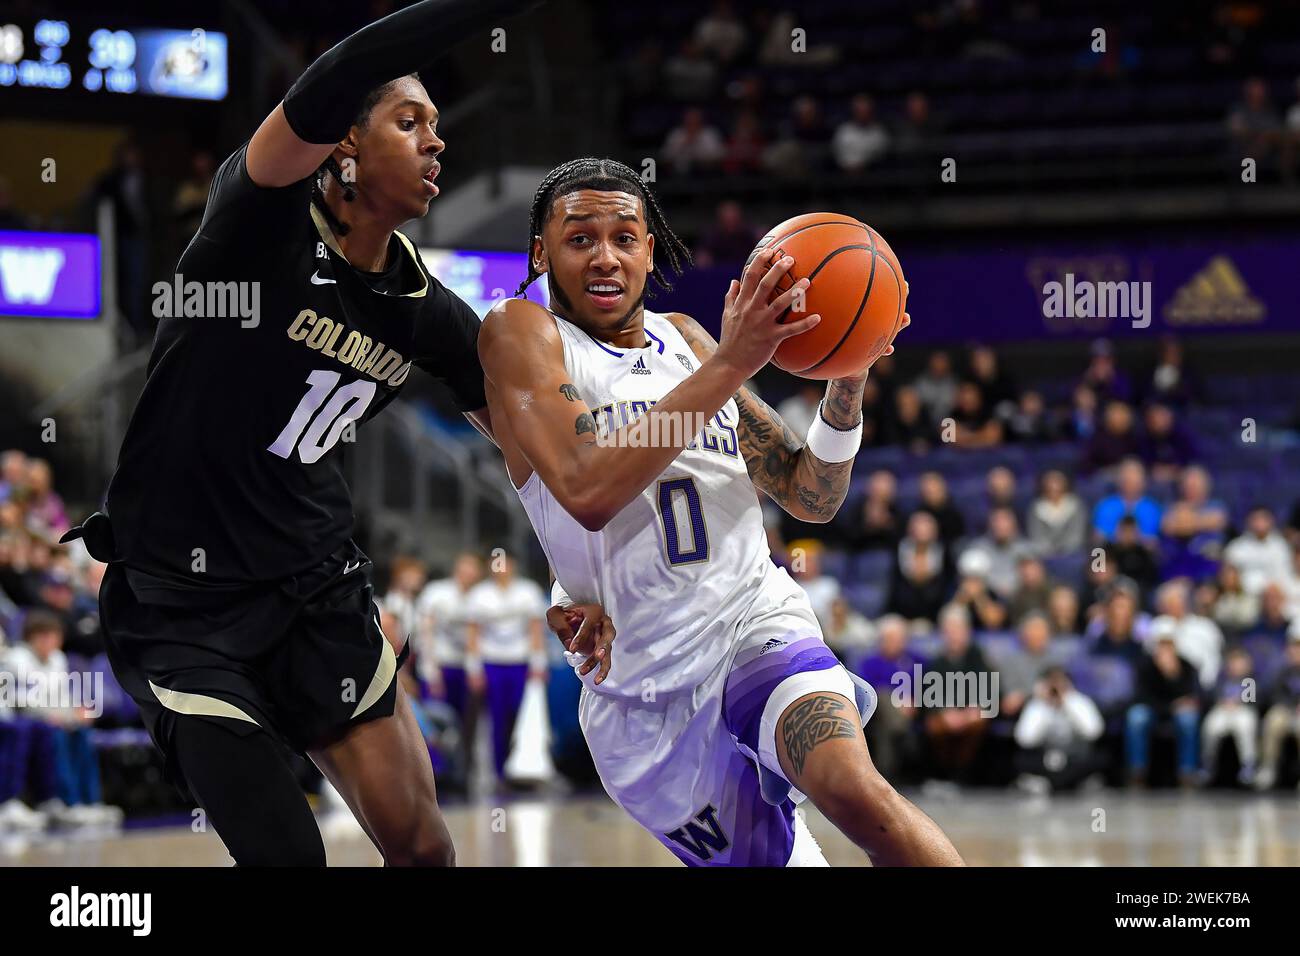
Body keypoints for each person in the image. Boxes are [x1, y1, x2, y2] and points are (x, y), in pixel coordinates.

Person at [65, 0, 614, 867]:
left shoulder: (428, 313)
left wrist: (591, 578)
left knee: (426, 849)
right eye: (409, 121)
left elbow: (540, 463)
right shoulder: (261, 223)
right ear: (346, 146)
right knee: (291, 858)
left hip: (318, 593)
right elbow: (340, 73)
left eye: (440, 125)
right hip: (183, 602)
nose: (437, 141)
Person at [480, 156, 961, 866]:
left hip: (752, 624)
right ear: (540, 254)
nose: (605, 256)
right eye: (580, 239)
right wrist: (733, 363)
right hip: (644, 703)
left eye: (625, 236)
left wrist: (846, 381)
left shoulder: (689, 342)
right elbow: (586, 490)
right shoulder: (524, 334)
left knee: (855, 790)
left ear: (652, 248)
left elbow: (811, 494)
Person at [464, 556, 548, 782]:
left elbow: (536, 631)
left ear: (513, 565)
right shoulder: (479, 595)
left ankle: (524, 770)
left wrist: (539, 663)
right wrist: (474, 669)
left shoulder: (528, 592)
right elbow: (473, 634)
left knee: (521, 716)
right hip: (492, 662)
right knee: (496, 718)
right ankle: (499, 772)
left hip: (520, 663)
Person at [1126, 628, 1201, 788]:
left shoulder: (1187, 666)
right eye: (1161, 646)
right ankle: (1137, 771)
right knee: (1136, 717)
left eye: (1169, 646)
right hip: (1154, 710)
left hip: (1177, 713)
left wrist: (1172, 676)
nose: (1165, 651)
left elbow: (1193, 696)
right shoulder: (1145, 666)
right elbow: (1140, 697)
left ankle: (1186, 773)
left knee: (1188, 719)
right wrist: (1169, 707)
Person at [1200, 647, 1257, 786]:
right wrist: (1222, 702)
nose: (1236, 665)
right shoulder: (1221, 680)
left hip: (1243, 711)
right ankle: (1208, 764)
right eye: (1233, 662)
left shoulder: (1250, 679)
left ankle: (1248, 765)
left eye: (1239, 662)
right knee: (1212, 726)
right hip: (1222, 710)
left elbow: (1254, 700)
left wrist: (1237, 701)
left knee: (1245, 726)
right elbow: (1210, 697)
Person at [1254, 625, 1300, 791]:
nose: (1296, 650)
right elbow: (1269, 692)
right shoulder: (1279, 666)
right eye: (1294, 646)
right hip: (1284, 709)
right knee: (1273, 720)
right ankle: (1268, 767)